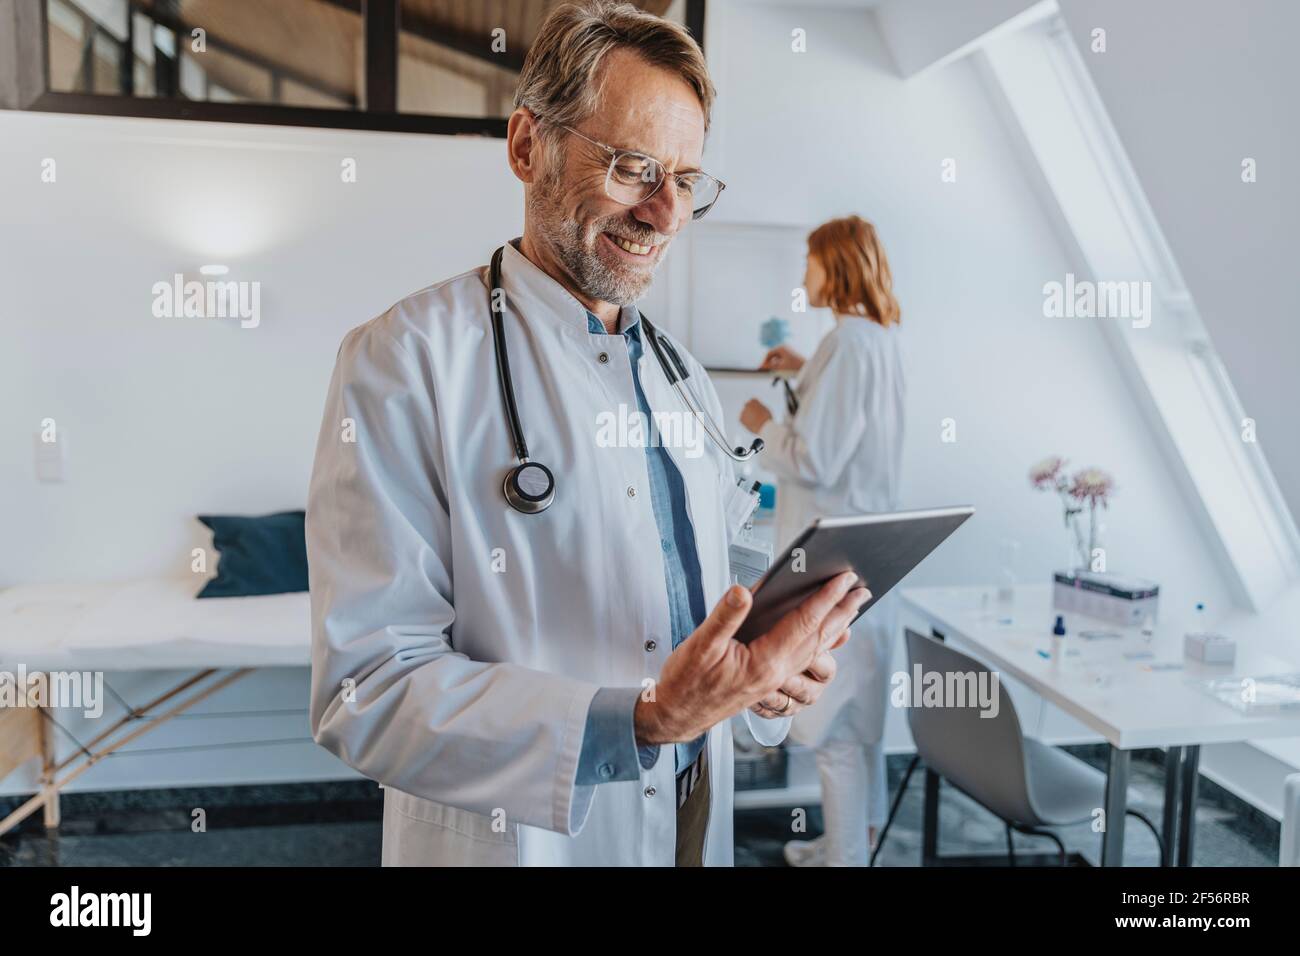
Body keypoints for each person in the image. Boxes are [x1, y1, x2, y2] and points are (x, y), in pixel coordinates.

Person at [305, 1, 869, 867]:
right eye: (634, 167)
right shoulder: (406, 360)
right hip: (526, 842)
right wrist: (640, 722)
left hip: (689, 818)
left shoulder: (682, 376)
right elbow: (366, 690)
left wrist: (769, 652)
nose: (663, 213)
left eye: (685, 181)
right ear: (528, 146)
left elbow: (718, 554)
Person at [739, 215, 905, 867]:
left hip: (833, 559)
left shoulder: (847, 343)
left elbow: (815, 461)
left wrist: (761, 422)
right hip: (874, 553)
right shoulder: (879, 340)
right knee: (863, 725)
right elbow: (853, 412)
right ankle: (854, 842)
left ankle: (842, 861)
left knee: (833, 728)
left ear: (832, 265)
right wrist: (804, 370)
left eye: (808, 263)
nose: (802, 276)